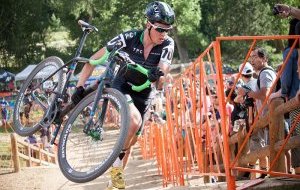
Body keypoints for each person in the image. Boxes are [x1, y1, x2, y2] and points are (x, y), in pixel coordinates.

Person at [71, 1, 175, 189]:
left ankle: (115, 180)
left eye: (167, 30)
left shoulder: (167, 44)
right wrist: (79, 86)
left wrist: (157, 76)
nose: (163, 34)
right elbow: (94, 59)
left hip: (144, 92)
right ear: (148, 24)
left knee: (132, 139)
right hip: (123, 85)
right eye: (160, 29)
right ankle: (116, 170)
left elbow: (160, 83)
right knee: (133, 121)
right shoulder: (129, 37)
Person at [239, 48, 277, 178]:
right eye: (251, 57)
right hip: (267, 115)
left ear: (264, 58)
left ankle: (279, 173)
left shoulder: (265, 73)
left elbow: (264, 94)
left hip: (272, 115)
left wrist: (247, 93)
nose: (252, 60)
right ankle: (267, 172)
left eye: (255, 57)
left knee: (274, 146)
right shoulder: (261, 74)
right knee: (269, 146)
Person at [269, 18, 300, 175]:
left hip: (295, 99)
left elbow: (286, 78)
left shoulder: (291, 51)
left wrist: (282, 92)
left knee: (296, 137)